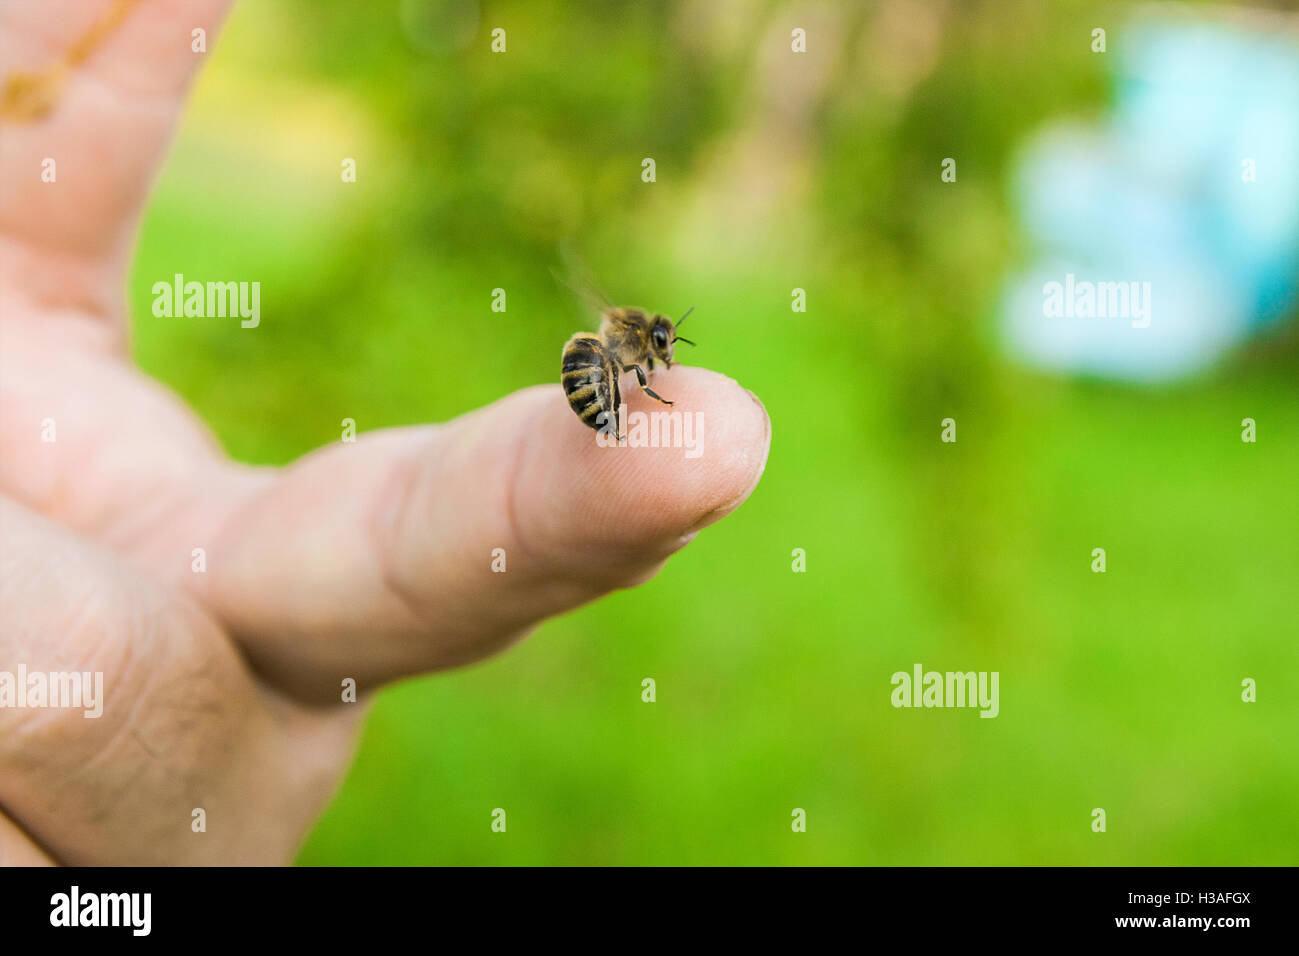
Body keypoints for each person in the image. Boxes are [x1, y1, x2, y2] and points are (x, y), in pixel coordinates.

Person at [0, 0, 769, 865]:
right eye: (659, 348)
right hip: (588, 380)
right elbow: (618, 361)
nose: (663, 355)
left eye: (660, 351)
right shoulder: (622, 347)